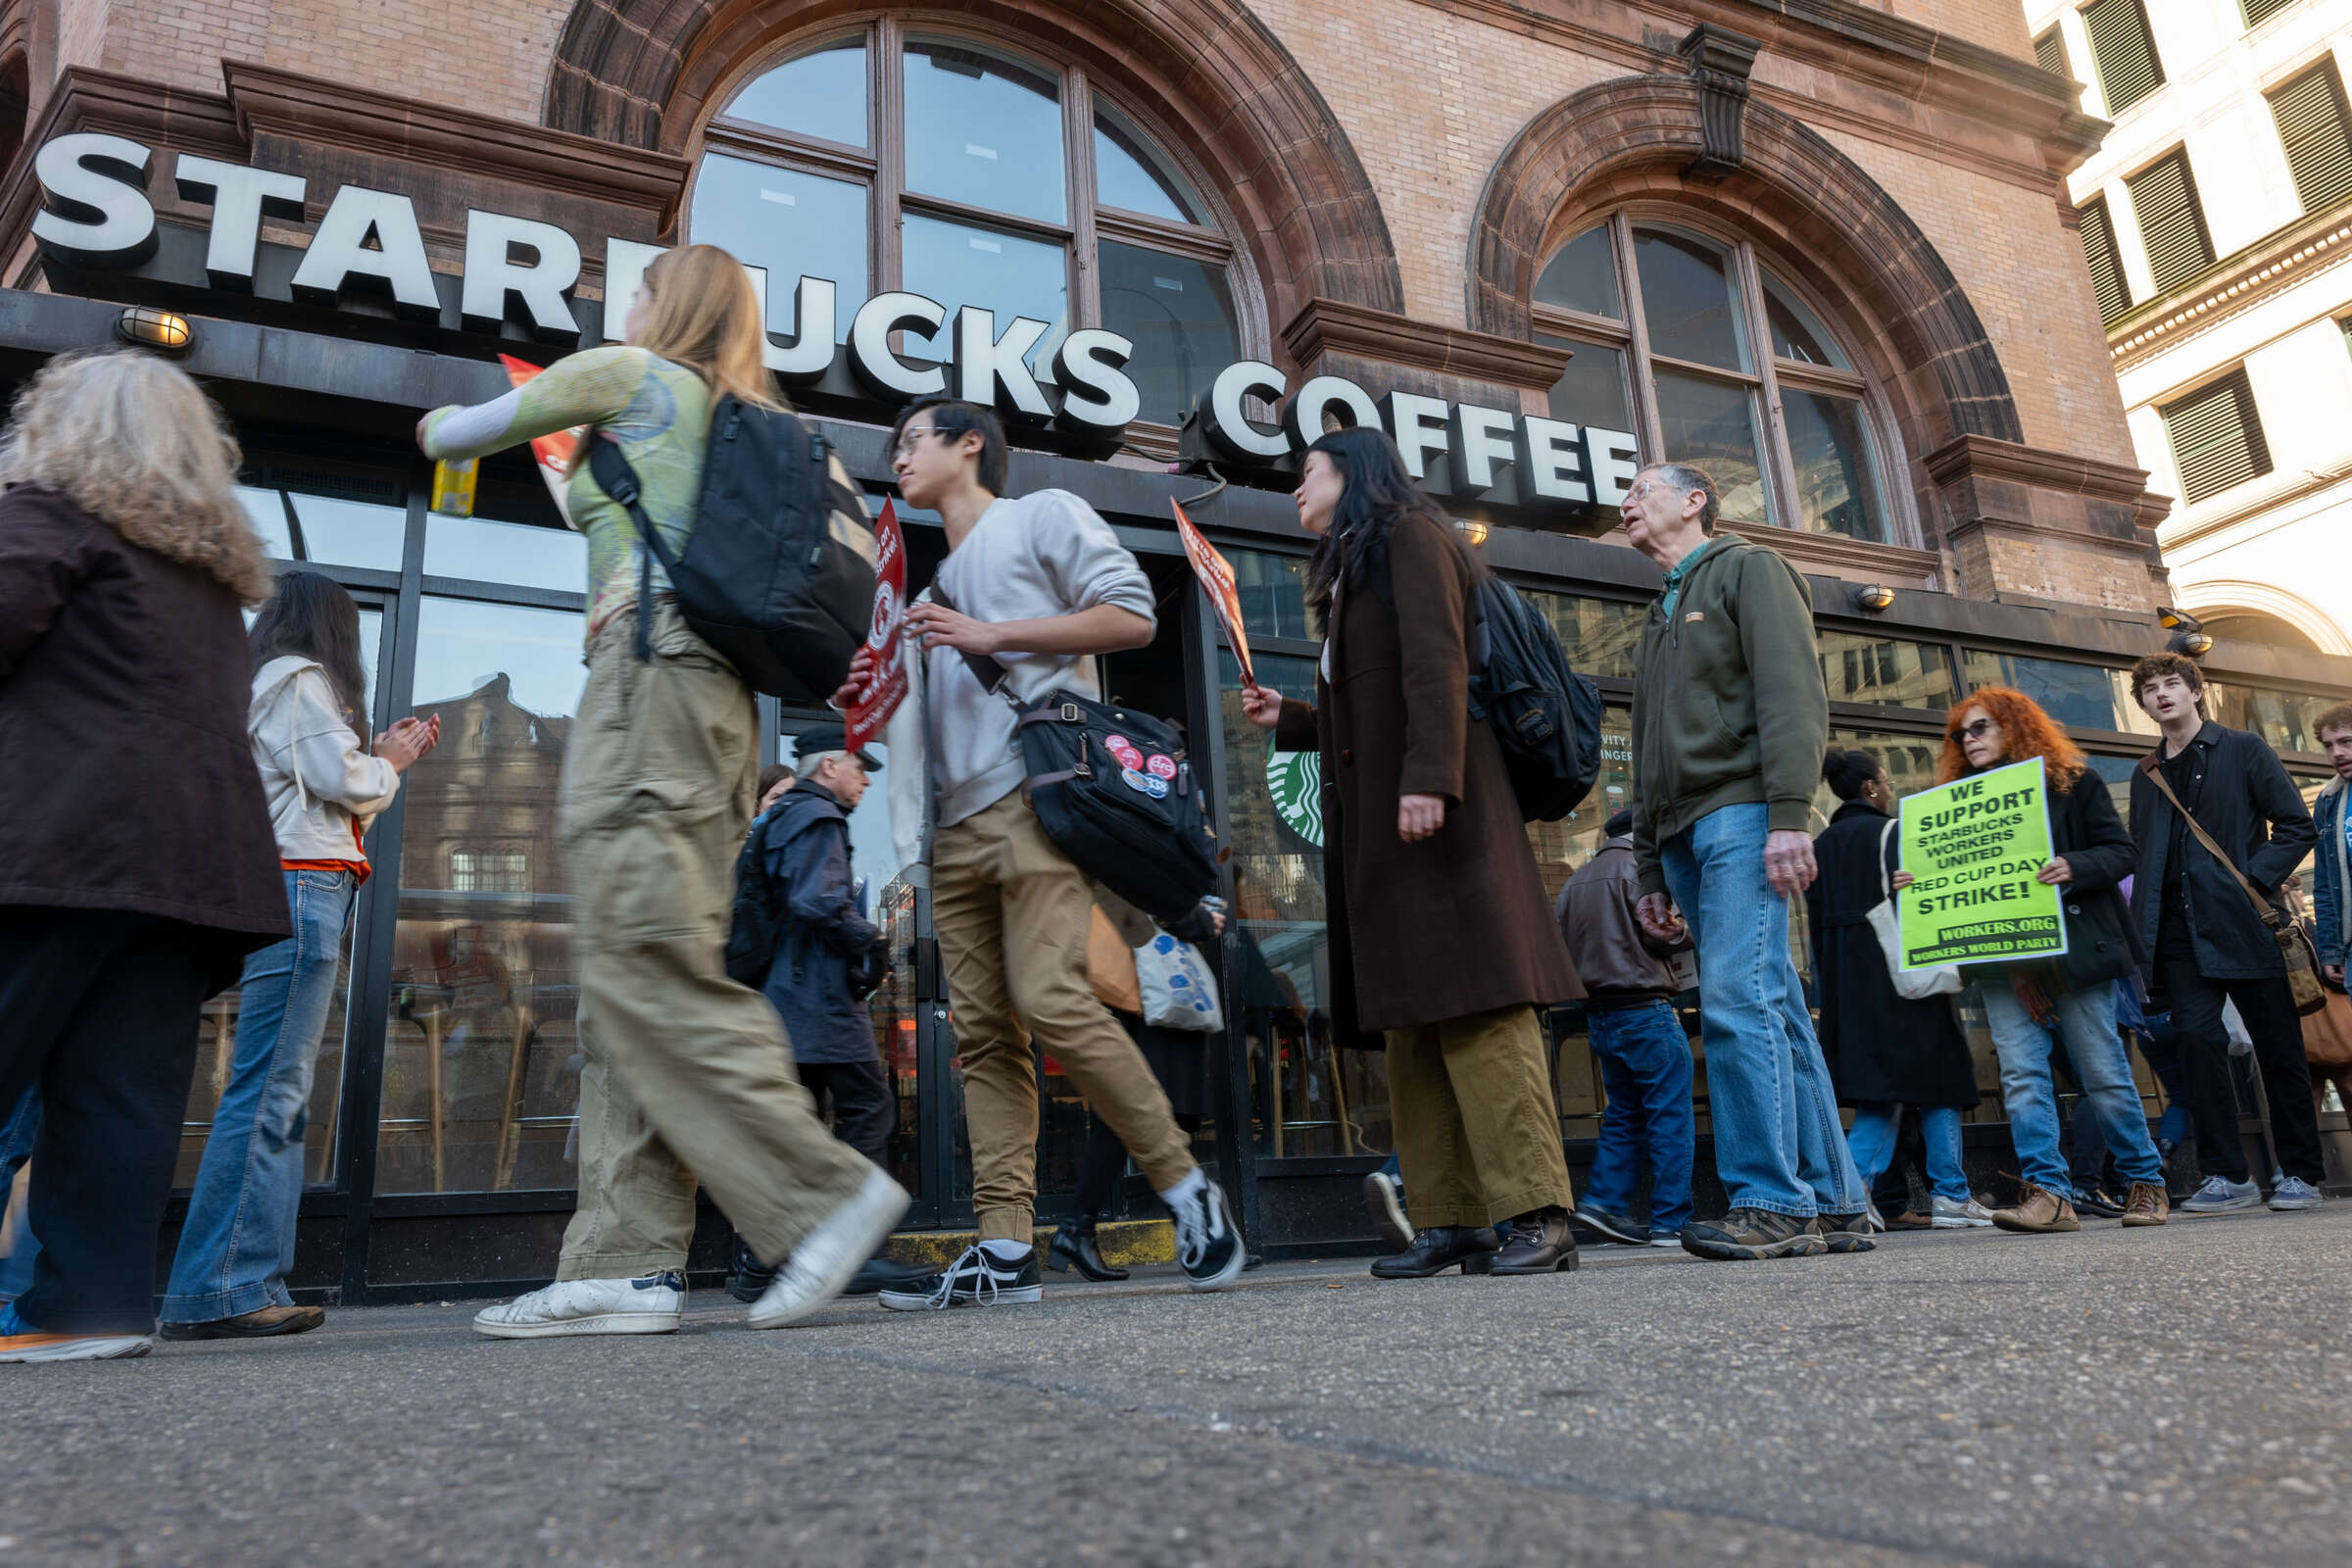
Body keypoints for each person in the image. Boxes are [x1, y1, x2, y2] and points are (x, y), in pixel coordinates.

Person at [419, 243, 907, 1339]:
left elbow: (457, 431)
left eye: (636, 292)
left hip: (650, 681)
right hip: (711, 705)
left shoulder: (632, 376)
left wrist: (440, 428)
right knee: (624, 978)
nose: (625, 307)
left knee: (643, 957)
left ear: (664, 303)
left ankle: (819, 1195)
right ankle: (626, 1262)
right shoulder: (730, 418)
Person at [850, 395, 1244, 1308]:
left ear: (969, 445)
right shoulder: (925, 594)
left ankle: (1187, 1190)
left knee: (1052, 1000)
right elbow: (917, 724)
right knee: (985, 1036)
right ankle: (1005, 1248)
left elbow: (1132, 617)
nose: (899, 457)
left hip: (1035, 804)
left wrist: (991, 635)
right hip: (952, 836)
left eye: (912, 440)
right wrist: (868, 693)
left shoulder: (1042, 517)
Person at [0, 349, 289, 1362]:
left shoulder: (48, 517)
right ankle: (86, 1311)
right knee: (116, 1093)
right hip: (187, 871)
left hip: (54, 845)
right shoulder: (208, 581)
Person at [1242, 425, 1583, 1279]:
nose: (1296, 489)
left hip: (1443, 824)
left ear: (1353, 473)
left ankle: (1538, 1215)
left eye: (1308, 473)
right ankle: (1449, 1219)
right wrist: (1294, 717)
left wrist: (1432, 778)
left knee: (1482, 1013)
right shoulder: (1355, 568)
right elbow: (1377, 703)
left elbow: (1438, 663)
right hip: (1394, 838)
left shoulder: (1413, 536)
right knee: (1414, 1027)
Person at [158, 572, 440, 1340]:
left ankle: (222, 1284)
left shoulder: (263, 681)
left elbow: (332, 797)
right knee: (272, 1091)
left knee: (267, 1088)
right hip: (304, 887)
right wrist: (388, 761)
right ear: (332, 627)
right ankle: (226, 1287)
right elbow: (340, 780)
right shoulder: (299, 678)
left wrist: (376, 763)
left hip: (292, 883)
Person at [1619, 462, 1869, 1260]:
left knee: (1735, 1000)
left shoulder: (1750, 568)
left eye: (1642, 490)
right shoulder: (1658, 613)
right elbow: (1646, 751)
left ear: (1694, 501)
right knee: (1774, 1007)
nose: (1626, 503)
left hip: (1742, 812)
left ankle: (1772, 1200)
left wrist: (1790, 815)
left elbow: (1792, 694)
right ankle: (1836, 1203)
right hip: (1685, 832)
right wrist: (1650, 867)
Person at [1924, 687, 2168, 1232]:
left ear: (2015, 726)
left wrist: (2073, 865)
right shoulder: (1953, 807)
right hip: (2003, 963)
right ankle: (2050, 1193)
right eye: (1960, 734)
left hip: (2073, 953)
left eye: (1980, 728)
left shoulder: (2072, 783)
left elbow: (2121, 852)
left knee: (2103, 1074)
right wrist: (1917, 885)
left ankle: (2144, 1182)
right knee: (2021, 1077)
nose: (1968, 740)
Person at [724, 724, 928, 1300]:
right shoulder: (817, 816)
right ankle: (858, 1253)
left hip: (785, 999)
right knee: (869, 1110)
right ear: (829, 766)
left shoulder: (782, 817)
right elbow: (817, 901)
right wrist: (873, 938)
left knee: (803, 1127)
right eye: (860, 767)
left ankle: (764, 1264)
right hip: (819, 998)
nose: (866, 780)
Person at [2127, 653, 2327, 1213]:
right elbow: (2143, 854)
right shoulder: (2146, 774)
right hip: (2178, 934)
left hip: (2246, 924)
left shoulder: (2243, 749)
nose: (2162, 694)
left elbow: (2297, 826)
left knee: (2279, 1049)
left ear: (2195, 691)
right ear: (2144, 705)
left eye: (2172, 684)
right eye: (2150, 689)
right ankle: (2228, 1175)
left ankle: (2302, 1173)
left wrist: (2253, 882)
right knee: (2196, 1043)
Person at [1808, 751, 1990, 1229]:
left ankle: (1857, 1192)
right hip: (1907, 979)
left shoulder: (1819, 847)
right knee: (1940, 1083)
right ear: (1870, 787)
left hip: (1849, 987)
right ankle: (1944, 1194)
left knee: (1882, 1090)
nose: (1889, 789)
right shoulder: (1896, 834)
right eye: (1886, 781)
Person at [1050, 896, 1219, 1280]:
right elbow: (1153, 889)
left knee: (1135, 1113)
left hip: (1138, 983)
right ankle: (1200, 1236)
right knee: (1143, 1114)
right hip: (1150, 987)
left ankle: (1079, 1228)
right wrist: (1201, 920)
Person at [1554, 808, 1693, 1248]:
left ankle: (1604, 1203)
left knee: (1623, 1113)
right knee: (1670, 1116)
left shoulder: (1575, 882)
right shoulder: (1640, 871)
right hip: (1646, 1008)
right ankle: (1670, 1220)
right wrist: (1688, 929)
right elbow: (1663, 933)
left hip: (1599, 1014)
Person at [2300, 705, 2352, 1127]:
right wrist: (2331, 950)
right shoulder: (2331, 800)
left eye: (2346, 742)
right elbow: (2324, 883)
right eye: (2329, 746)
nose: (2337, 753)